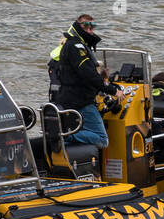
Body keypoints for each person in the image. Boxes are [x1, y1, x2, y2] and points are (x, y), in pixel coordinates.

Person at [50, 14, 124, 150]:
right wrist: (113, 90)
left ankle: (65, 146)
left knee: (82, 134)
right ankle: (65, 136)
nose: (90, 29)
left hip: (66, 99)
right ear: (78, 26)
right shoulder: (76, 46)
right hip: (81, 101)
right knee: (102, 139)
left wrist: (102, 79)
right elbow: (88, 74)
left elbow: (78, 73)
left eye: (92, 26)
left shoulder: (73, 45)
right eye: (86, 25)